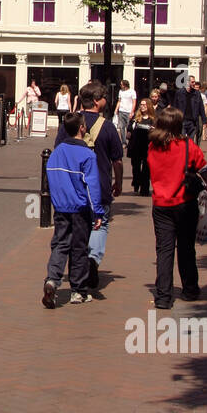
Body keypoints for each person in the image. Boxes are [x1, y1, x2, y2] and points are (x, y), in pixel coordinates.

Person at [56, 82, 123, 289]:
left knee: (76, 227)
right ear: (96, 101)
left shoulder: (68, 124)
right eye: (104, 97)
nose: (107, 101)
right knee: (100, 223)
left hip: (73, 187)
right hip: (99, 185)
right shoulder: (108, 126)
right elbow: (117, 160)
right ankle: (92, 259)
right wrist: (117, 182)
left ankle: (79, 264)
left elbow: (58, 153)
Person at [147, 106, 207, 308]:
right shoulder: (187, 146)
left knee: (164, 250)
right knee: (186, 248)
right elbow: (204, 169)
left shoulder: (153, 147)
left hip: (161, 204)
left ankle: (163, 296)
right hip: (184, 202)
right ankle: (190, 288)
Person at [42, 112, 105, 307]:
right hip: (80, 208)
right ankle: (78, 291)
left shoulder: (58, 152)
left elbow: (49, 178)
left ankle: (52, 279)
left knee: (60, 244)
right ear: (82, 129)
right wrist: (98, 212)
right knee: (79, 247)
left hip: (61, 207)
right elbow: (92, 186)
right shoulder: (87, 154)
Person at [127, 98, 154, 195]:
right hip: (136, 146)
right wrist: (129, 131)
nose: (142, 106)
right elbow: (129, 128)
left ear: (149, 106)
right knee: (136, 167)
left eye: (144, 105)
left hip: (147, 147)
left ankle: (145, 189)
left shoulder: (153, 119)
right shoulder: (135, 117)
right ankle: (136, 183)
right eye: (141, 105)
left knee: (146, 169)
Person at [174, 76, 207, 141]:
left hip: (193, 122)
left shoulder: (197, 93)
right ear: (187, 82)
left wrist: (204, 121)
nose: (194, 83)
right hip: (182, 121)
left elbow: (201, 107)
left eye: (194, 82)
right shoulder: (179, 93)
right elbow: (175, 107)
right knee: (182, 140)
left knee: (190, 141)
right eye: (192, 82)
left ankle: (189, 151)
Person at [115, 78, 137, 145]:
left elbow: (134, 102)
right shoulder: (120, 91)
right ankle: (123, 142)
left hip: (128, 111)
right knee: (121, 127)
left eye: (121, 84)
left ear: (125, 85)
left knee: (129, 128)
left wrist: (132, 111)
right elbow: (119, 101)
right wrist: (116, 109)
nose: (120, 85)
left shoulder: (132, 91)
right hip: (121, 111)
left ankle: (130, 142)